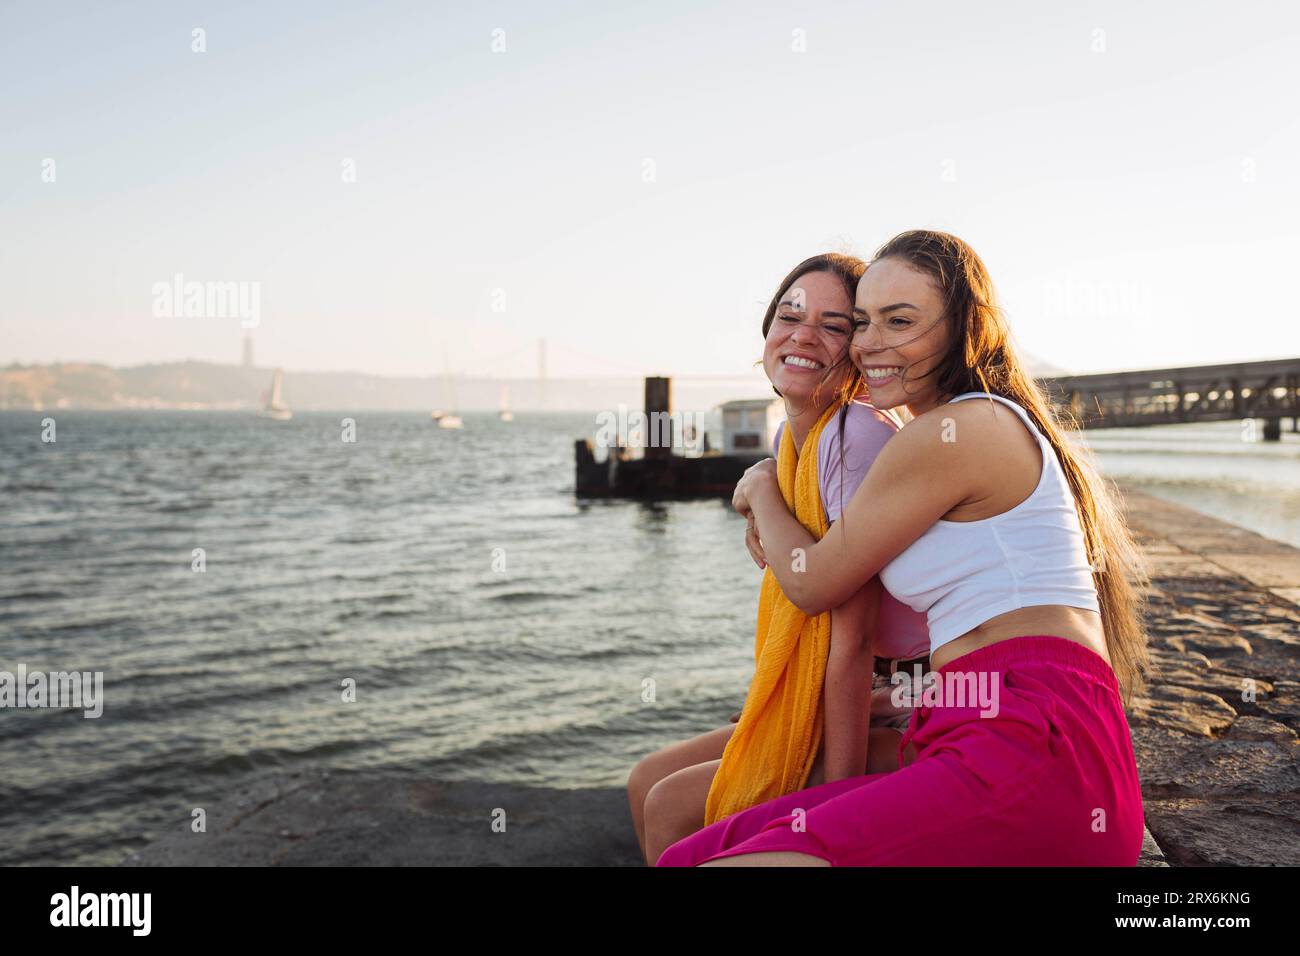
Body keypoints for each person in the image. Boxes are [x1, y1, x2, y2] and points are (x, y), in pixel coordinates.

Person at [657, 229, 1149, 867]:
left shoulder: (953, 432)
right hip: (977, 726)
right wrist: (914, 697)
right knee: (693, 849)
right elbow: (983, 634)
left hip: (1034, 759)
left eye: (900, 321)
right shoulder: (960, 425)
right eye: (862, 322)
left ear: (964, 329)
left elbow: (813, 583)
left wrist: (759, 489)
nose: (869, 344)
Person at [627, 253, 930, 867]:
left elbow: (850, 634)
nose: (803, 335)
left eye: (834, 325)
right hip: (861, 694)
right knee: (645, 781)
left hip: (913, 706)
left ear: (858, 351)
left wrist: (836, 797)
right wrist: (766, 479)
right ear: (767, 331)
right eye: (789, 315)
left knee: (668, 805)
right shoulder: (791, 442)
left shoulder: (858, 434)